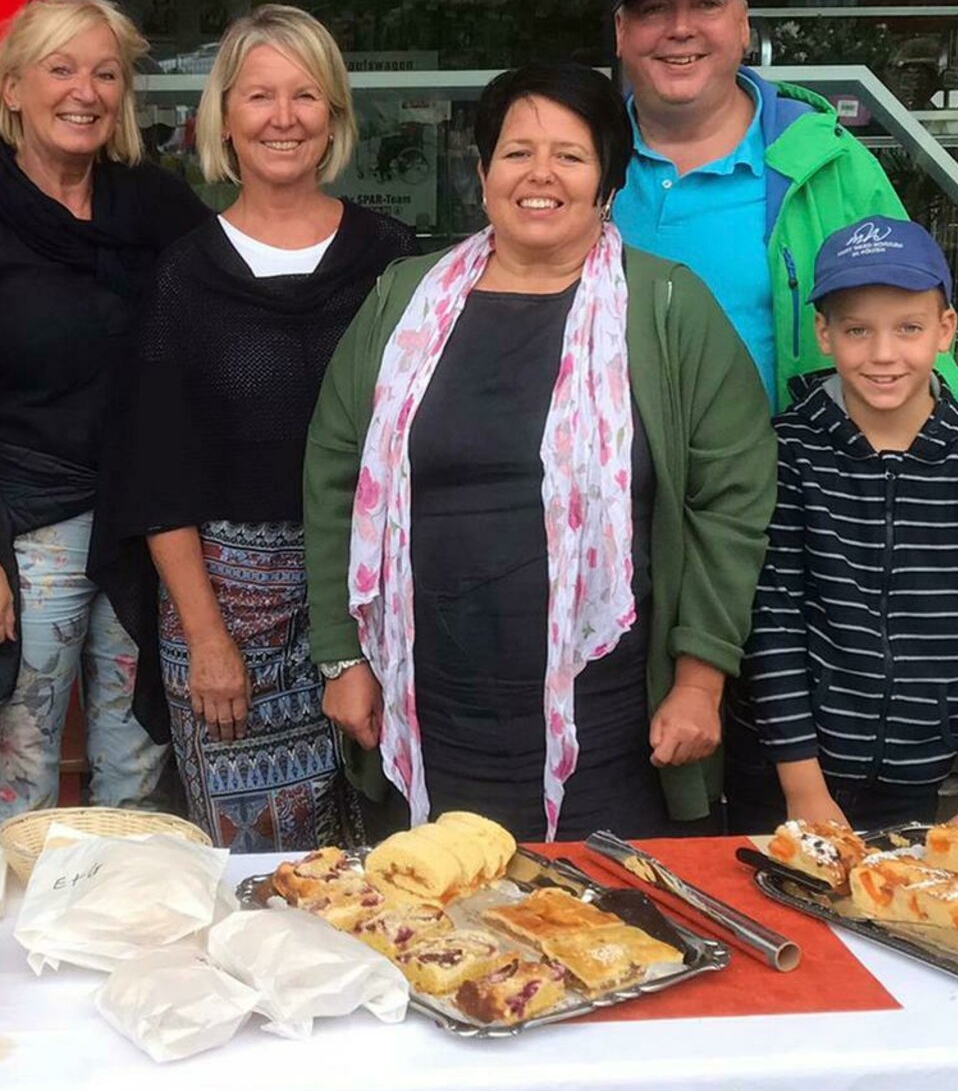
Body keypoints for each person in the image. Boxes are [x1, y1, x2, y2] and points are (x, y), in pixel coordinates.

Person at [305, 63, 774, 842]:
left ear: (607, 183)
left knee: (604, 931)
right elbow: (333, 475)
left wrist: (700, 678)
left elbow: (735, 496)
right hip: (425, 709)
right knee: (437, 929)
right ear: (483, 173)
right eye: (518, 152)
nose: (541, 175)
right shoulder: (403, 299)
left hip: (613, 724)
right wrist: (341, 657)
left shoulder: (666, 306)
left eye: (571, 155)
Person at [607, 0, 958, 563]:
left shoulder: (826, 163)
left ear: (743, 26)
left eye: (706, 3)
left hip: (792, 526)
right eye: (654, 8)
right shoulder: (577, 163)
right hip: (613, 527)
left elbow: (911, 332)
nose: (680, 28)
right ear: (623, 33)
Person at [0, 0, 208, 837]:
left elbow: (220, 312)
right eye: (62, 68)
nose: (86, 91)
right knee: (21, 766)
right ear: (12, 90)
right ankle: (11, 957)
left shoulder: (152, 206)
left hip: (141, 528)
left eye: (106, 73)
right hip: (26, 532)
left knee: (137, 760)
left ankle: (119, 950)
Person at [130, 5, 418, 852]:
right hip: (229, 613)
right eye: (259, 96)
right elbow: (158, 475)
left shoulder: (395, 261)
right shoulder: (182, 275)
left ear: (333, 115)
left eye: (304, 95)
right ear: (223, 116)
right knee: (253, 870)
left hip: (376, 605)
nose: (282, 118)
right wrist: (208, 639)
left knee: (386, 855)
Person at [732, 218, 958, 834]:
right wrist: (804, 790)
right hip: (782, 776)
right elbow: (773, 623)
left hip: (915, 777)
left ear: (945, 330)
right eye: (857, 330)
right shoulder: (785, 456)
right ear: (824, 333)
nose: (883, 354)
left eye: (908, 328)